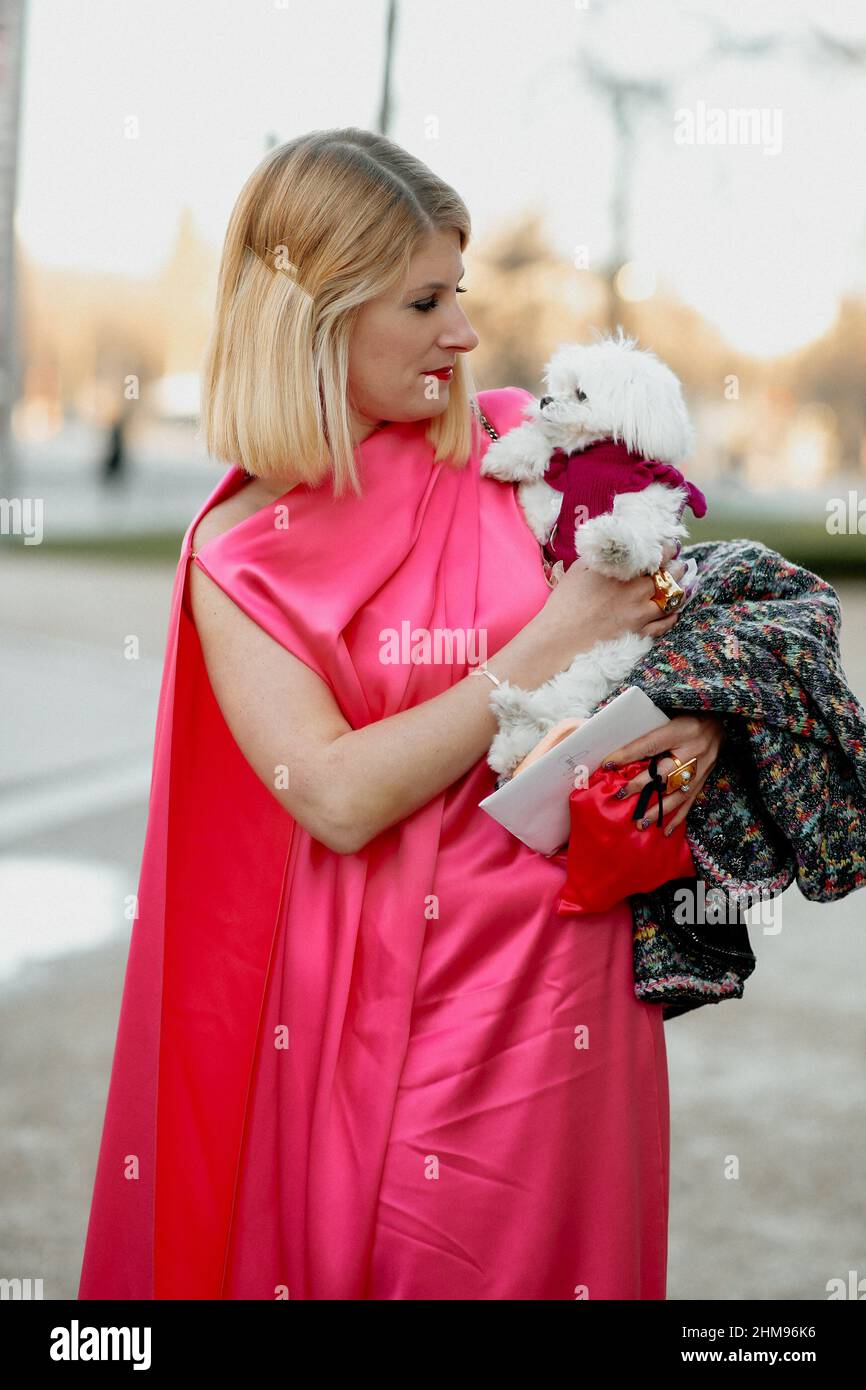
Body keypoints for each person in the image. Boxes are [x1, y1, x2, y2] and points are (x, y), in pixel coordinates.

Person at [77, 127, 726, 1302]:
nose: (465, 334)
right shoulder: (241, 558)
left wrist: (697, 717)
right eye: (423, 301)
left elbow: (685, 610)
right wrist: (544, 646)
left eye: (460, 292)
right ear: (313, 314)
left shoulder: (527, 449)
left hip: (570, 993)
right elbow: (330, 794)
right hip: (390, 1018)